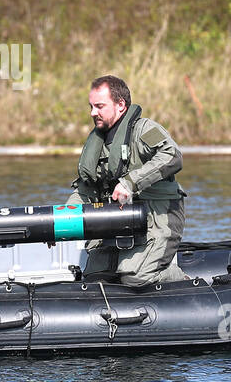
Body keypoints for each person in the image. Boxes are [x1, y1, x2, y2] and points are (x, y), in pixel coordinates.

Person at [66, 75, 187, 287]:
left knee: (136, 277)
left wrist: (130, 182)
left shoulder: (143, 130)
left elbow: (172, 155)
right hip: (116, 222)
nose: (93, 113)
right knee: (96, 280)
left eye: (99, 106)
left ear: (120, 105)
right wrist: (62, 222)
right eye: (91, 107)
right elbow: (86, 190)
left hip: (157, 217)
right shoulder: (97, 143)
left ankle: (183, 281)